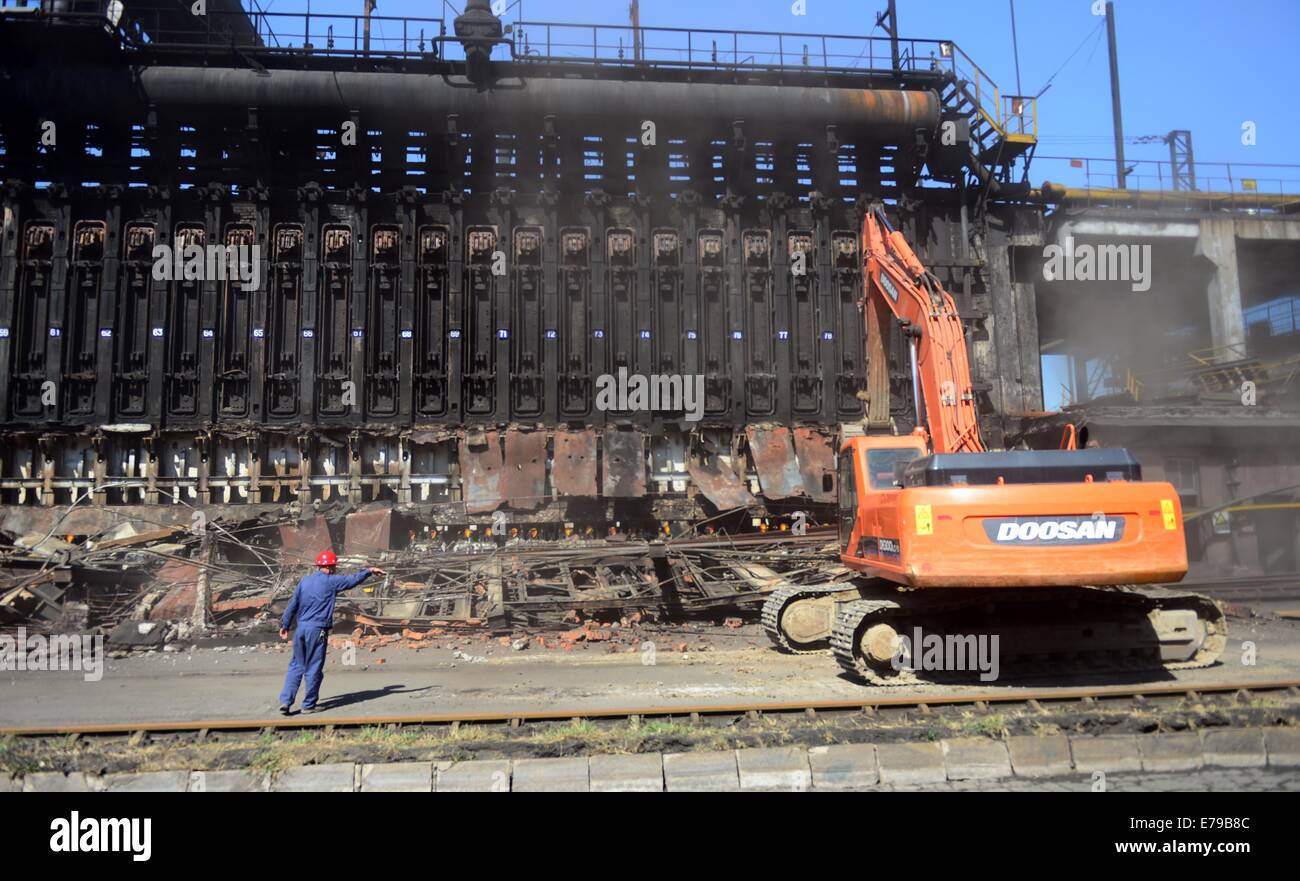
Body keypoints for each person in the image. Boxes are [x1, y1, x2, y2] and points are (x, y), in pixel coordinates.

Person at [277, 550, 386, 715]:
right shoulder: (331, 581)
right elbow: (352, 580)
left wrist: (284, 624)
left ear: (319, 565)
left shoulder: (304, 582)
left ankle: (286, 702)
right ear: (331, 566)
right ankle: (308, 705)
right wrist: (368, 571)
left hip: (300, 630)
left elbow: (292, 604)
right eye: (334, 566)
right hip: (317, 630)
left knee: (296, 665)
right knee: (314, 666)